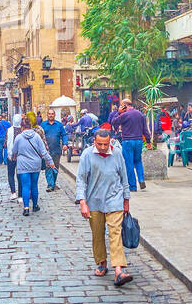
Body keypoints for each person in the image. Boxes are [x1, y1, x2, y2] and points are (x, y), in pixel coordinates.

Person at [75, 127, 133, 287]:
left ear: (110, 142)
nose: (102, 147)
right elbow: (81, 179)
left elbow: (124, 177)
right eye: (99, 144)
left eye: (105, 144)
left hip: (115, 199)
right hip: (94, 201)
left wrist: (126, 200)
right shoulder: (87, 155)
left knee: (115, 233)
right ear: (94, 141)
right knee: (98, 233)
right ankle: (101, 262)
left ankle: (119, 270)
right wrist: (82, 202)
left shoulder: (117, 154)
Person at [13, 116, 54, 216]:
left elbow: (14, 151)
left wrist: (13, 157)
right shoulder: (36, 136)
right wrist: (50, 161)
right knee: (34, 185)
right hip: (35, 164)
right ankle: (35, 205)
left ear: (22, 127)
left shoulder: (18, 137)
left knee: (25, 186)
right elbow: (43, 151)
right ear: (30, 126)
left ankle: (26, 208)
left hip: (23, 165)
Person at [110, 99, 148, 192]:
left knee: (129, 163)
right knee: (138, 161)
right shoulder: (140, 114)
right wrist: (148, 141)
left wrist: (118, 113)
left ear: (124, 105)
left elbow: (113, 122)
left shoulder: (124, 115)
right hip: (139, 141)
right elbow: (145, 129)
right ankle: (141, 179)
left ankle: (133, 186)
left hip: (127, 141)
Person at [39, 109, 66, 192]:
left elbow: (64, 134)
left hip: (56, 150)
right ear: (47, 115)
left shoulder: (59, 125)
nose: (51, 115)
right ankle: (50, 185)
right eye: (49, 114)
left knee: (55, 167)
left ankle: (53, 183)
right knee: (48, 167)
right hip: (46, 150)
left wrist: (65, 144)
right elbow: (39, 136)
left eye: (52, 114)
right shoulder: (43, 125)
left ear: (54, 115)